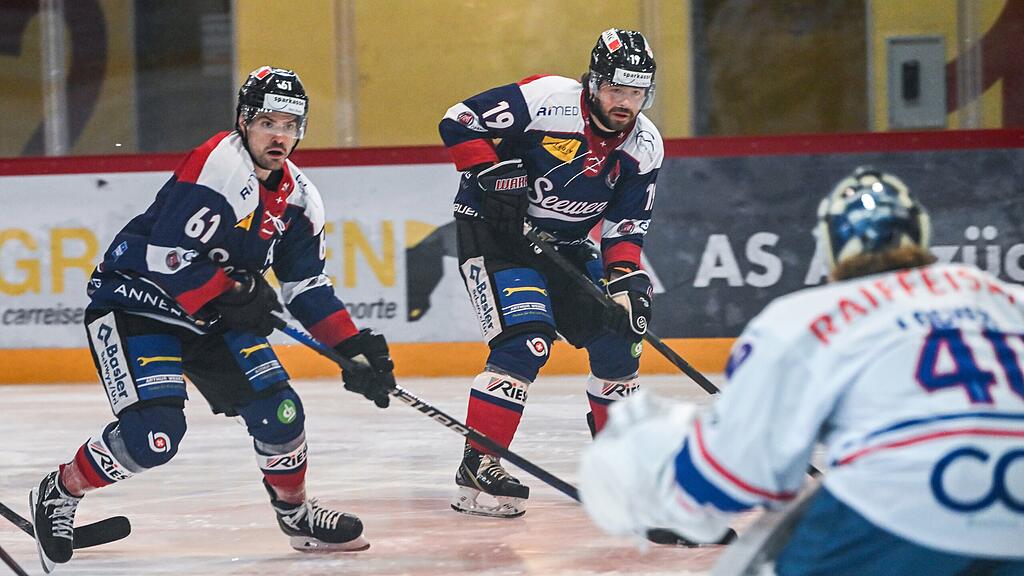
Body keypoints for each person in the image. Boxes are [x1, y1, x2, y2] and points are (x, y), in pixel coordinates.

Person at [30, 66, 397, 571]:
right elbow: (166, 257)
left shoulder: (301, 199)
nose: (280, 135)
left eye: (291, 125)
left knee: (281, 412)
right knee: (152, 438)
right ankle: (60, 490)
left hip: (209, 318)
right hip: (139, 306)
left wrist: (352, 348)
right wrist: (233, 291)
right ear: (244, 121)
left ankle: (296, 516)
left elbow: (307, 286)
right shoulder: (218, 166)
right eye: (268, 121)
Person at [579, 167, 1024, 574]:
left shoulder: (805, 316)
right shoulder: (1009, 298)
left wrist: (658, 478)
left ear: (832, 244)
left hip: (898, 516)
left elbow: (734, 476)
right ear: (919, 234)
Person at [437, 29, 663, 518]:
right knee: (525, 342)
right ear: (594, 82)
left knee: (618, 340)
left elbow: (626, 226)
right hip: (497, 238)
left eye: (637, 91)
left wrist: (625, 281)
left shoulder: (645, 145)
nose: (625, 102)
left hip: (563, 245)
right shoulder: (545, 100)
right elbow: (458, 121)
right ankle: (479, 463)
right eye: (616, 89)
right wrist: (489, 170)